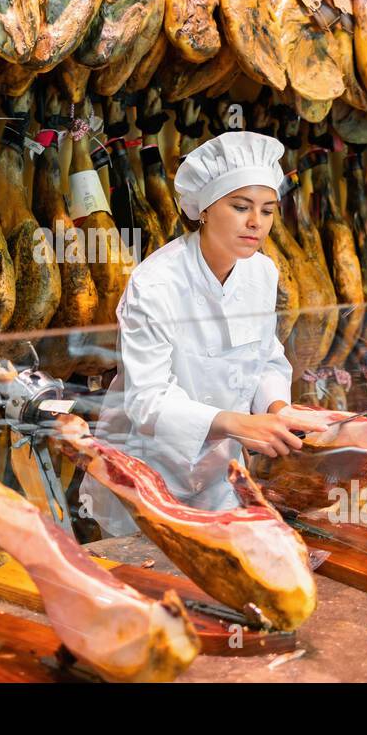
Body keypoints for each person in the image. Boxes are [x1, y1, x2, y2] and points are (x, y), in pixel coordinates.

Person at [84, 130, 305, 536]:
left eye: (268, 210)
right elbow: (147, 401)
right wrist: (237, 423)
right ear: (203, 209)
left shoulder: (262, 272)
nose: (256, 222)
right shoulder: (154, 283)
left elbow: (267, 357)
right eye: (240, 207)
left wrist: (277, 409)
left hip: (221, 473)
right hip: (149, 469)